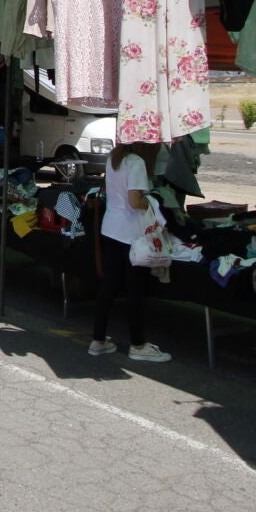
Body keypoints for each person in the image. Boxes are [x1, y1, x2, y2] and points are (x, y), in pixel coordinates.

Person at [89, 141, 172, 363]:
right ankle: (138, 344)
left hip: (111, 228)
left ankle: (98, 340)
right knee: (134, 290)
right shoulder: (136, 163)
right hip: (131, 234)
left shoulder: (114, 158)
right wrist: (152, 201)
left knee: (108, 286)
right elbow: (135, 201)